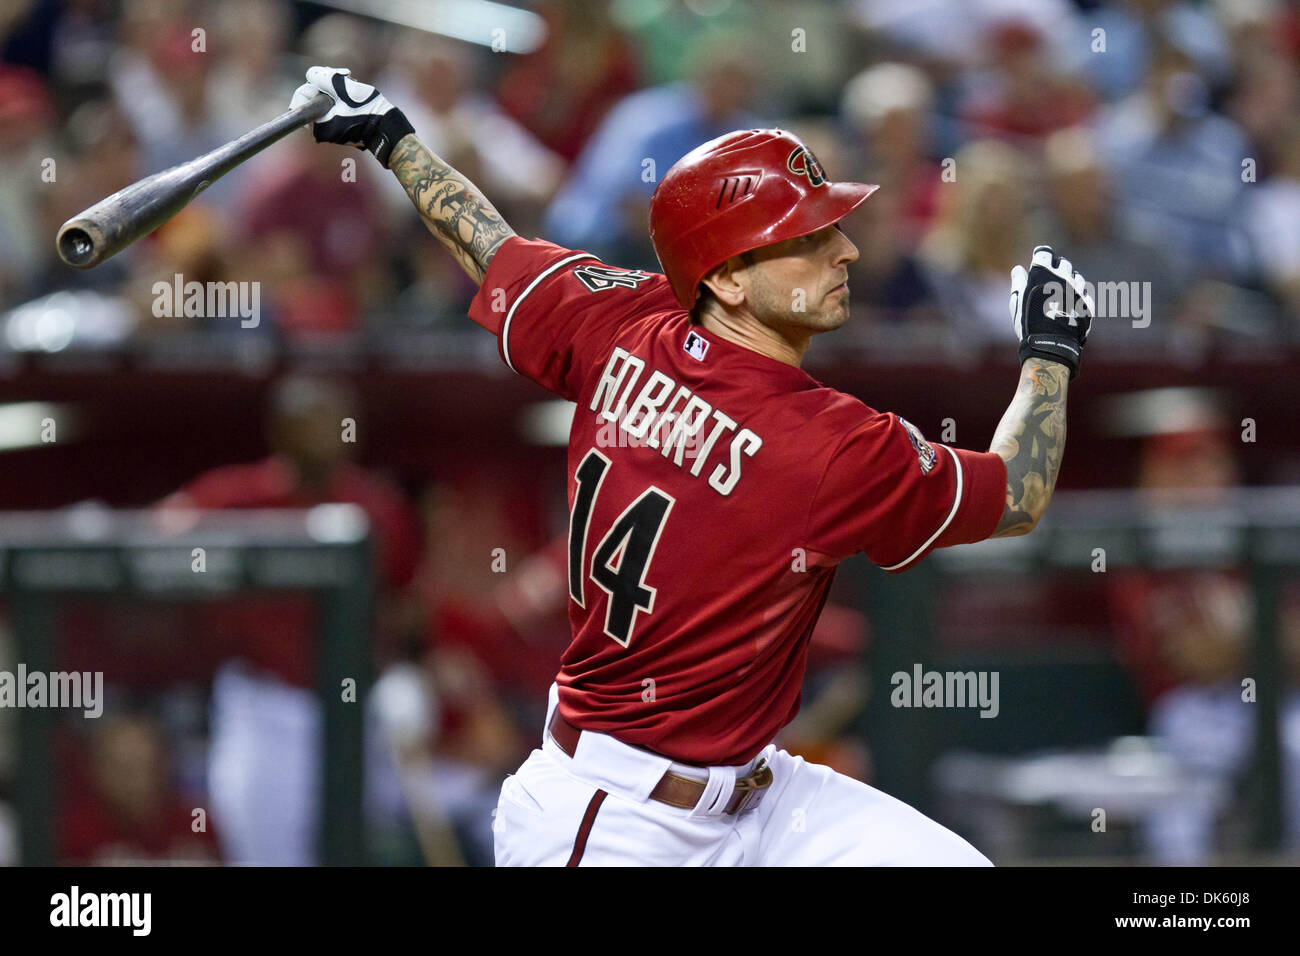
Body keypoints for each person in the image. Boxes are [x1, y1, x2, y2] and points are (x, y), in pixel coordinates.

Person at [289, 66, 1095, 866]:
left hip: (764, 794)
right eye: (808, 239)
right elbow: (1016, 491)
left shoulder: (618, 317)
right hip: (615, 819)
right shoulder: (827, 445)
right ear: (732, 279)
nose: (844, 249)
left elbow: (487, 244)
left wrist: (392, 140)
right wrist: (1051, 354)